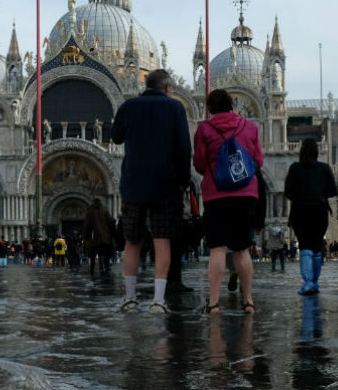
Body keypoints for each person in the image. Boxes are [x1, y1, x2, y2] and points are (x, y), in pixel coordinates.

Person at [110, 68, 192, 313]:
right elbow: (184, 148)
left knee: (132, 241)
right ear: (168, 89)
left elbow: (115, 137)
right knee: (161, 240)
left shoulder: (130, 105)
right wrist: (183, 180)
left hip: (134, 183)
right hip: (166, 185)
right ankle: (158, 300)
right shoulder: (175, 108)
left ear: (145, 87)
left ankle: (130, 298)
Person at [194, 89, 264, 313]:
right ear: (232, 106)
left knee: (217, 250)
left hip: (217, 196)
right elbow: (259, 161)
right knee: (242, 250)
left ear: (210, 109)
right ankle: (249, 301)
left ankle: (214, 303)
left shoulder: (204, 129)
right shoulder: (250, 127)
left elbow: (199, 164)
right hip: (245, 194)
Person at [284, 138, 337, 295]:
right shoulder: (324, 168)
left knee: (305, 245)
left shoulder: (295, 168)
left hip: (300, 210)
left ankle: (308, 281)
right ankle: (314, 282)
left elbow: (288, 192)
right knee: (316, 245)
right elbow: (333, 191)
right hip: (320, 210)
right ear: (317, 152)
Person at [83, 198, 116, 276]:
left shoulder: (90, 211)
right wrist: (113, 234)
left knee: (96, 253)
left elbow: (86, 225)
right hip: (106, 237)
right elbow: (111, 222)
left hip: (95, 237)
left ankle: (95, 268)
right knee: (105, 252)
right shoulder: (105, 210)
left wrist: (86, 236)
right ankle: (106, 267)